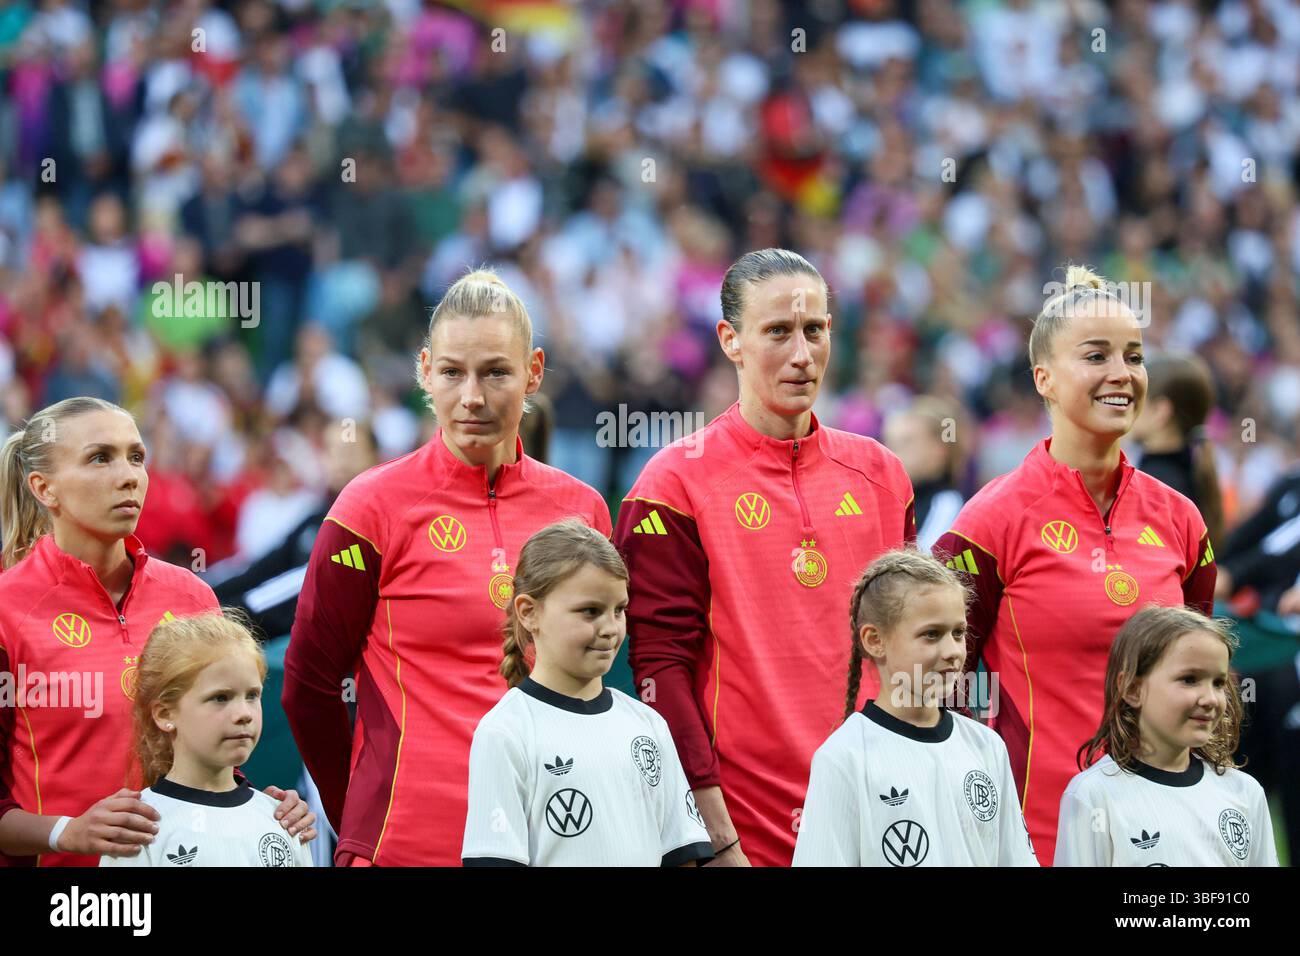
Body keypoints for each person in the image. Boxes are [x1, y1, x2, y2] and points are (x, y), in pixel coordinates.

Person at [284, 269, 612, 866]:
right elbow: (308, 685)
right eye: (453, 372)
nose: (473, 398)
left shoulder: (582, 510)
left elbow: (596, 685)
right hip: (406, 846)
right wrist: (359, 812)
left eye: (496, 372)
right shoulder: (369, 508)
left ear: (534, 371)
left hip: (553, 844)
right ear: (425, 371)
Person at [614, 248, 916, 867]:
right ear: (730, 340)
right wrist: (717, 839)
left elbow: (913, 655)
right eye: (778, 331)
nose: (802, 354)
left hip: (877, 823)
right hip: (741, 832)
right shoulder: (671, 485)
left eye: (815, 330)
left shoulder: (884, 476)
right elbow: (661, 671)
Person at [933, 265, 1216, 864]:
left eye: (1134, 357)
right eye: (1097, 356)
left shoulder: (1183, 521)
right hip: (1036, 837)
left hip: (1169, 839)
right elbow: (933, 683)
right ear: (1045, 379)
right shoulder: (989, 522)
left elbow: (1203, 681)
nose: (1122, 374)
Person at [0, 397, 315, 866]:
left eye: (137, 457)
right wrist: (66, 833)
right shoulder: (8, 610)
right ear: (44, 489)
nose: (129, 475)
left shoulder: (192, 599)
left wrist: (257, 805)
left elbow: (212, 762)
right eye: (100, 457)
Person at [461, 521, 712, 866]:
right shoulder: (506, 732)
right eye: (590, 611)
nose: (610, 628)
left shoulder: (648, 724)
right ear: (529, 612)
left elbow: (680, 854)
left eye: (619, 610)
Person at [792, 549, 1037, 867]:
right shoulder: (845, 758)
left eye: (958, 633)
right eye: (931, 634)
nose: (952, 651)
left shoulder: (986, 746)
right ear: (874, 640)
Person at [1055, 605, 1277, 866]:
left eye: (1218, 683)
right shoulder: (1094, 794)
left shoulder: (1244, 792)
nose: (1210, 699)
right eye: (1189, 679)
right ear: (1133, 689)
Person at [102, 610, 312, 867]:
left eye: (252, 695)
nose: (244, 714)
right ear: (165, 713)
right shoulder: (138, 828)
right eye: (220, 698)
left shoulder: (283, 819)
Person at [1128, 353, 1224, 547]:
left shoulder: (1158, 486)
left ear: (1160, 411)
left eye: (1135, 398)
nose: (1126, 406)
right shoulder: (1189, 471)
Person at [882, 397, 968, 551]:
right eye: (889, 442)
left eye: (906, 442)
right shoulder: (890, 499)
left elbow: (923, 564)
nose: (890, 452)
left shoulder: (947, 504)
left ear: (939, 450)